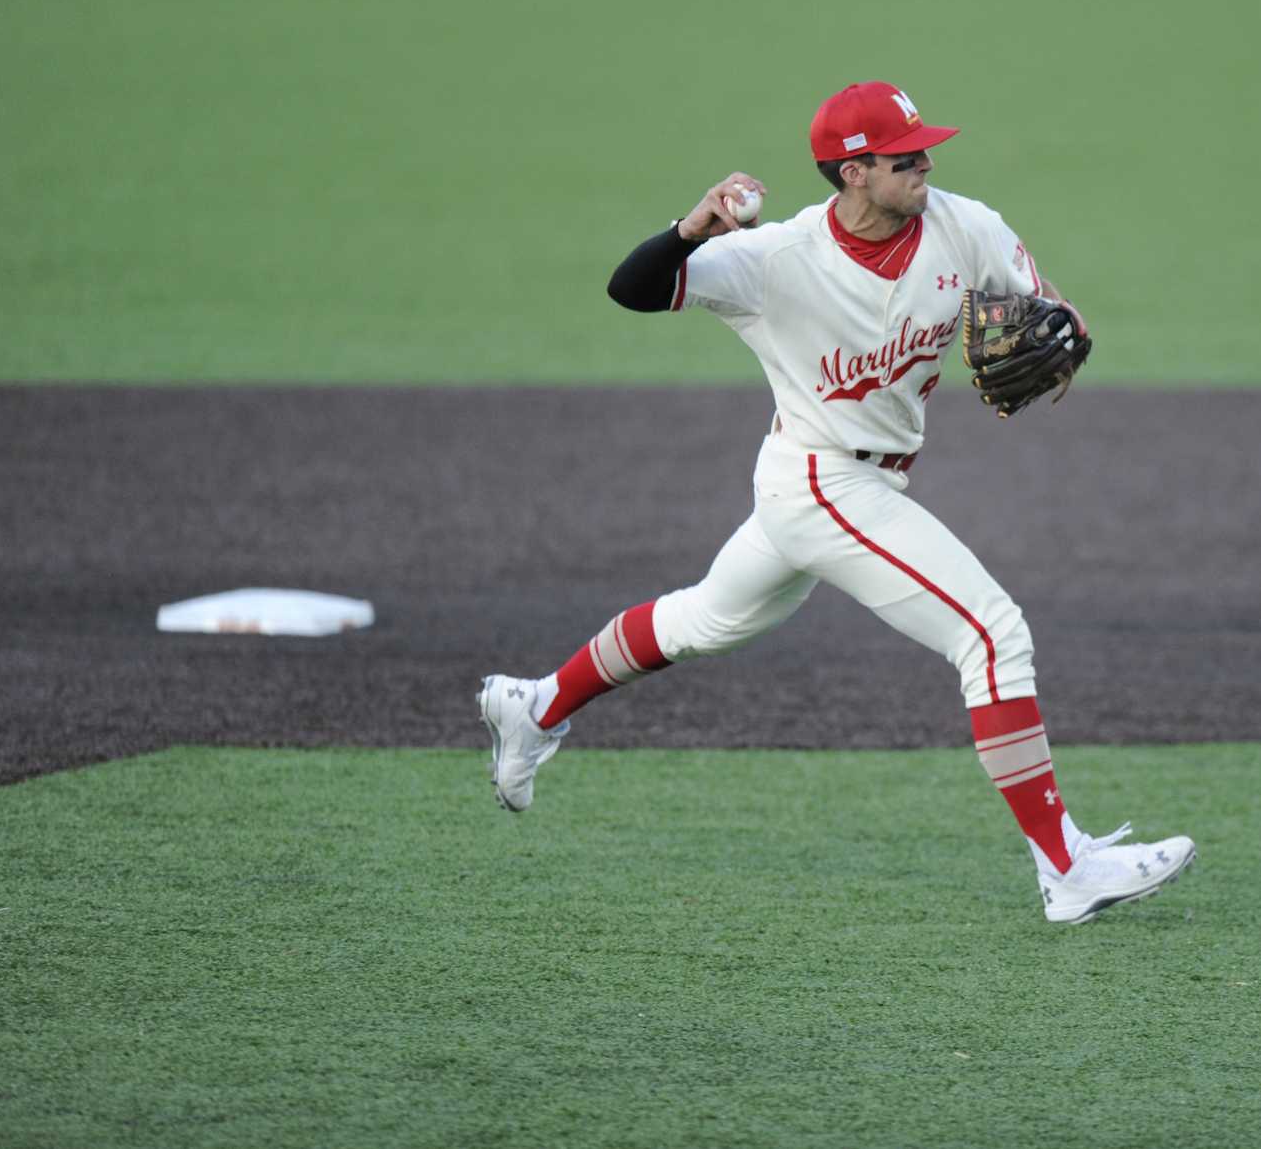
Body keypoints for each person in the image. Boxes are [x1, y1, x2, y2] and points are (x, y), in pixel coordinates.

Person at [476, 81, 1194, 923]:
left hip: (847, 479)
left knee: (701, 621)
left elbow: (1054, 310)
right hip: (819, 480)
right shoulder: (771, 259)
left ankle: (533, 706)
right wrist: (690, 230)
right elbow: (631, 290)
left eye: (925, 146)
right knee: (991, 633)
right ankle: (1065, 866)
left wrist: (1067, 337)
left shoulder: (966, 225)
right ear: (852, 172)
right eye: (903, 155)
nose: (925, 161)